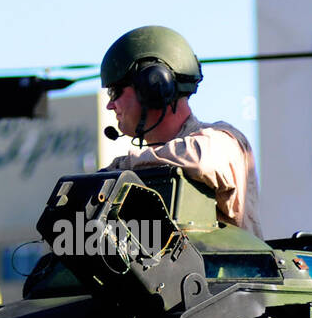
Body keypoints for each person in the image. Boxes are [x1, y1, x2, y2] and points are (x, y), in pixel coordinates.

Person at [100, 25, 262, 238]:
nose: (110, 105)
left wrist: (123, 167)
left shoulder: (224, 141)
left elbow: (204, 159)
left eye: (115, 92)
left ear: (153, 85)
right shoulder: (147, 164)